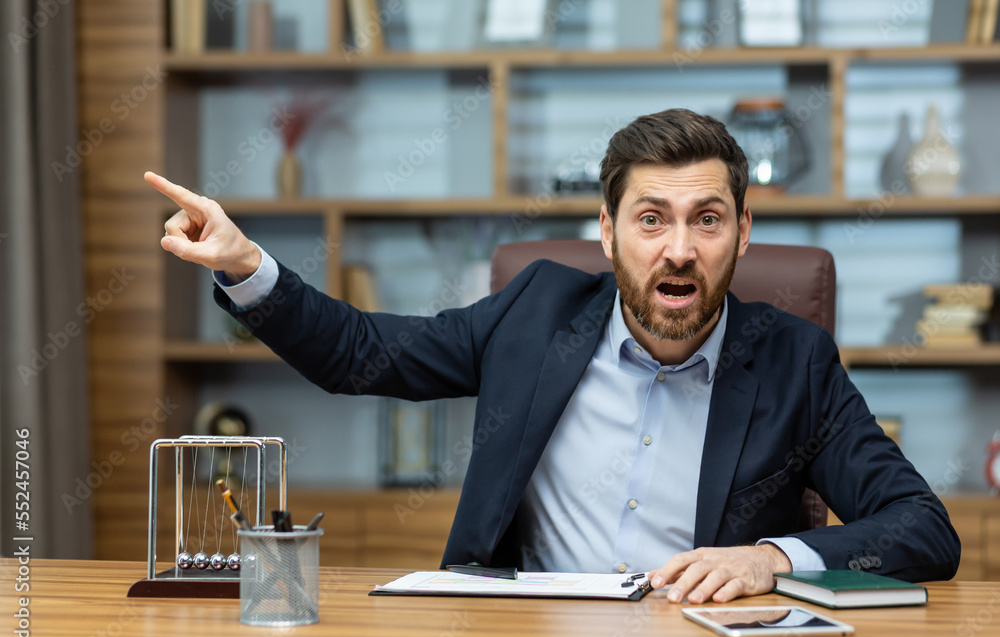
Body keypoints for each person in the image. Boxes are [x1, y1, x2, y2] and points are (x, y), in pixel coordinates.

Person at [146, 108, 960, 604]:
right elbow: (364, 353)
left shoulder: (795, 361)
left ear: (742, 234)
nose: (679, 249)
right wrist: (246, 266)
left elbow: (923, 529)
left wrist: (770, 558)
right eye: (651, 219)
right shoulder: (534, 314)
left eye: (707, 219)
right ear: (605, 234)